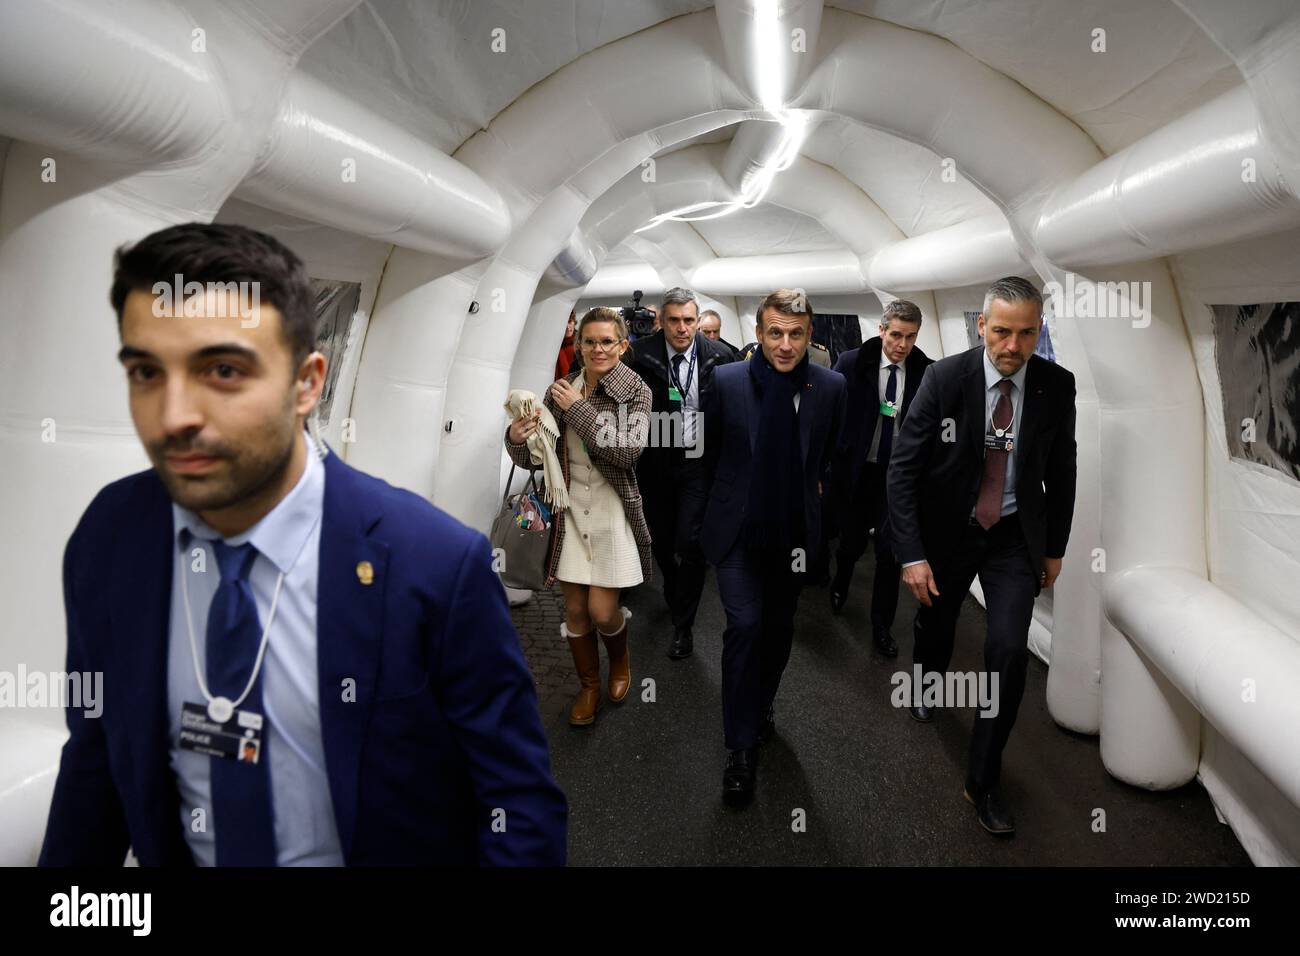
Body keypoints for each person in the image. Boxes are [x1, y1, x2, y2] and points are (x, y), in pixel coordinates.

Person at [40, 222, 567, 867]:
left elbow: (514, 802)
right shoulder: (112, 536)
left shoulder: (430, 563)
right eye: (147, 371)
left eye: (223, 370)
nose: (174, 414)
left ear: (307, 383)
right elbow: (94, 761)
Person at [888, 276, 1077, 836]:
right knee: (937, 619)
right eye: (1001, 332)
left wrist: (1056, 548)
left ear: (1038, 330)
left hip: (1014, 536)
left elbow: (1063, 471)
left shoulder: (1055, 385)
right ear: (981, 326)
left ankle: (983, 778)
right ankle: (926, 680)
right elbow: (903, 468)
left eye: (1024, 333)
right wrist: (912, 553)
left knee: (1008, 651)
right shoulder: (946, 379)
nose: (1012, 346)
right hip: (950, 531)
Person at [701, 289, 846, 806]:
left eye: (796, 333)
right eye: (775, 333)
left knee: (779, 631)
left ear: (810, 335)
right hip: (738, 529)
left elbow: (827, 458)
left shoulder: (831, 387)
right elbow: (708, 453)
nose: (785, 345)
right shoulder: (726, 381)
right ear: (759, 334)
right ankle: (739, 750)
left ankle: (760, 705)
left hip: (792, 535)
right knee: (744, 626)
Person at [505, 307, 653, 727]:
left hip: (611, 511)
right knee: (575, 613)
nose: (597, 349)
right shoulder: (561, 389)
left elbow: (626, 450)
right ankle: (588, 686)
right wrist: (516, 439)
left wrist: (577, 411)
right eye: (589, 341)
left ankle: (620, 662)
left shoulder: (636, 391)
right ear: (578, 344)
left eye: (607, 341)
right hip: (568, 512)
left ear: (623, 345)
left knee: (604, 612)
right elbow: (538, 459)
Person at [628, 288, 735, 659]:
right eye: (674, 320)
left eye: (689, 320)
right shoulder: (639, 356)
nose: (682, 328)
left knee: (691, 544)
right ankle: (674, 591)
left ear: (698, 319)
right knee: (659, 539)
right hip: (655, 461)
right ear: (663, 321)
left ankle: (683, 625)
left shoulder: (721, 357)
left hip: (698, 462)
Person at [828, 300, 933, 656]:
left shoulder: (926, 371)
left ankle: (881, 627)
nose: (902, 345)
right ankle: (840, 581)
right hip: (859, 470)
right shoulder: (852, 363)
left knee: (889, 554)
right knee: (851, 543)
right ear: (882, 330)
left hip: (899, 478)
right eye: (896, 335)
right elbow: (832, 418)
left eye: (910, 337)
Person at [554, 309, 577, 379]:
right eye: (564, 323)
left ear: (574, 322)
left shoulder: (582, 343)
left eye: (570, 322)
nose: (567, 327)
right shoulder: (554, 346)